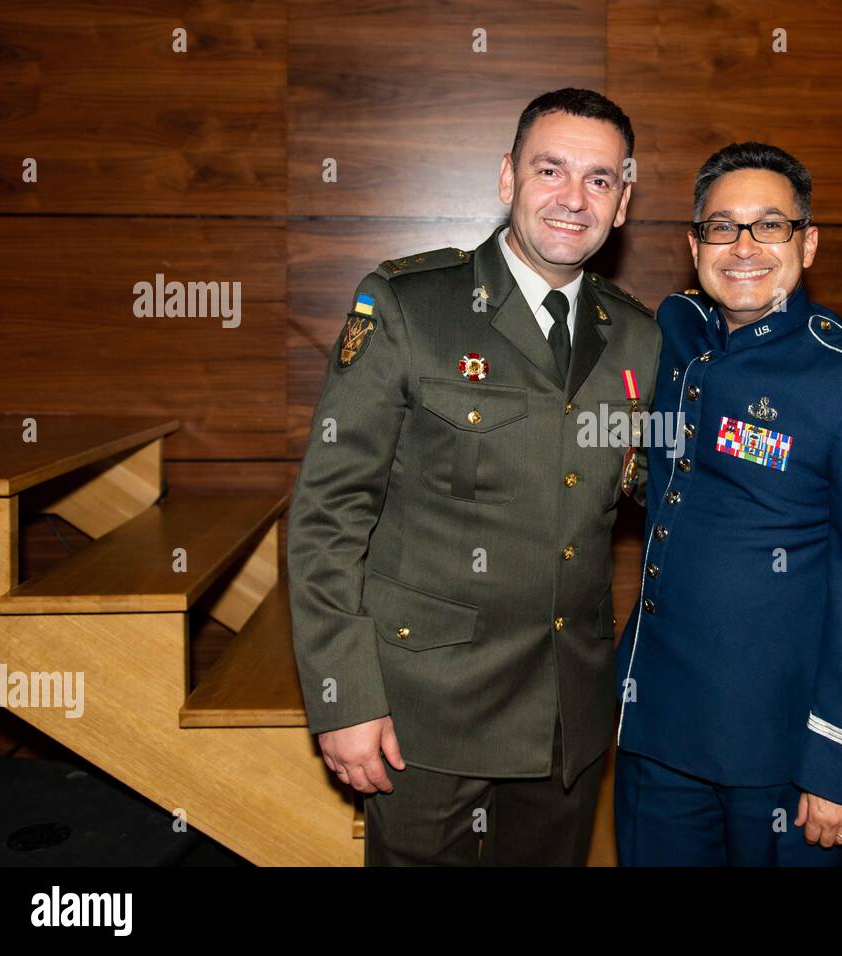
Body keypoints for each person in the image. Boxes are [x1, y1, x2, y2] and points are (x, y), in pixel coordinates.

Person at [287, 88, 660, 865]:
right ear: (506, 178)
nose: (572, 199)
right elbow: (328, 514)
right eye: (549, 169)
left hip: (568, 713)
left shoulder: (635, 336)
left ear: (623, 203)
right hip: (426, 711)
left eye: (599, 180)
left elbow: (650, 491)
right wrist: (342, 697)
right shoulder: (408, 306)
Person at [613, 142, 842, 866]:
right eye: (723, 227)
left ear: (808, 242)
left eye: (770, 226)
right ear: (694, 245)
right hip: (657, 732)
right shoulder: (675, 335)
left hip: (784, 755)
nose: (745, 247)